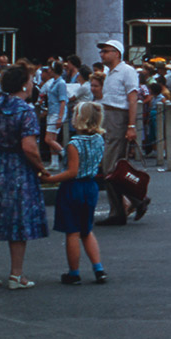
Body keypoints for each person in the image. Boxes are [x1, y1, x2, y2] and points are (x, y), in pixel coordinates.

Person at [0, 64, 49, 289]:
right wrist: (41, 168)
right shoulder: (26, 111)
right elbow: (29, 147)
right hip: (18, 170)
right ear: (24, 85)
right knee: (18, 223)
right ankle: (16, 275)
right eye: (32, 81)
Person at [40, 101, 108, 284]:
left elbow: (72, 172)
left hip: (73, 188)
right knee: (87, 229)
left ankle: (74, 272)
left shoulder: (74, 143)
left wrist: (48, 180)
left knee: (72, 232)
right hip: (90, 186)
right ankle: (98, 268)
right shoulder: (99, 139)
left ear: (80, 119)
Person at [96, 40, 149, 226]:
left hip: (118, 117)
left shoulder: (126, 71)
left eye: (105, 51)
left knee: (111, 169)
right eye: (101, 51)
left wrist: (131, 125)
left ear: (117, 53)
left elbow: (132, 99)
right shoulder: (110, 72)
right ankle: (129, 204)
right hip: (111, 116)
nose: (102, 54)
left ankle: (127, 206)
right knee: (112, 168)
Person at [42, 60, 68, 172]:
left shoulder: (61, 83)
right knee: (53, 138)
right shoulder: (54, 82)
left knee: (48, 139)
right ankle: (55, 162)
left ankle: (66, 156)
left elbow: (63, 101)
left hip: (57, 113)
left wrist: (60, 117)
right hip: (52, 111)